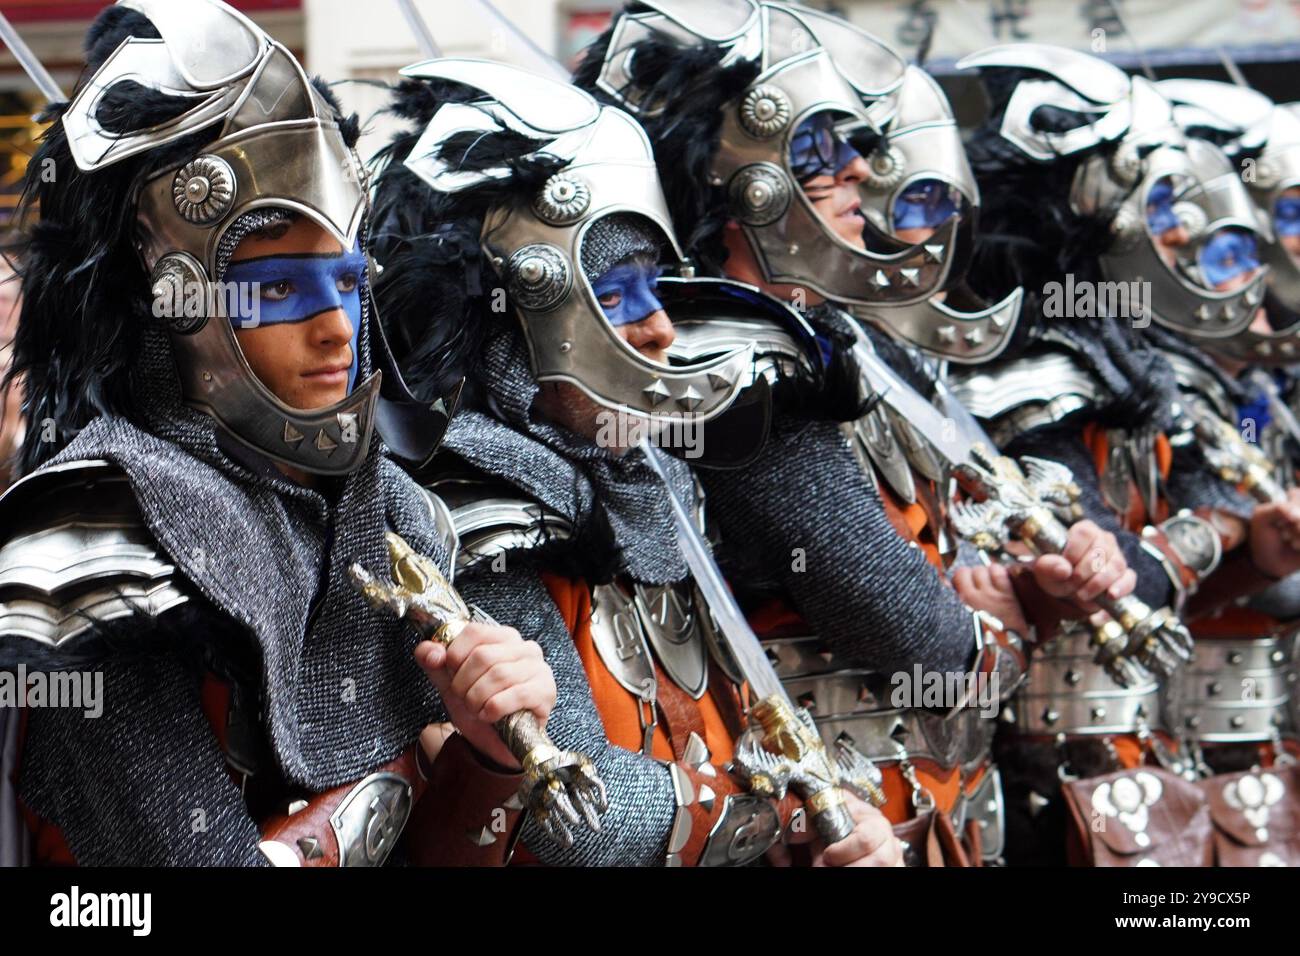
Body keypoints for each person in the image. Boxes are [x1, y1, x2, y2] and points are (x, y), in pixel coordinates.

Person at [573, 0, 1142, 864]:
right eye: (816, 157)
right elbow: (922, 640)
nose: (857, 177)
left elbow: (956, 559)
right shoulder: (738, 379)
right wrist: (1021, 612)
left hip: (937, 805)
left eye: (849, 150)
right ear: (742, 193)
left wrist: (1032, 582)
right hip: (846, 821)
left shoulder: (848, 343)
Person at [0, 0, 558, 867]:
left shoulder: (401, 521)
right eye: (282, 291)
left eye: (345, 281)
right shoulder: (102, 544)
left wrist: (487, 759)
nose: (338, 327)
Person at [373, 57, 903, 866]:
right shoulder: (470, 510)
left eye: (655, 289)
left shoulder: (646, 472)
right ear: (526, 314)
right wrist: (787, 818)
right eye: (617, 294)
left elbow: (730, 738)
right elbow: (578, 813)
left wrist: (829, 815)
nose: (661, 328)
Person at [953, 42, 1300, 864]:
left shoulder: (1138, 364)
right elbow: (1105, 570)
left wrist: (1248, 546)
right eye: (1163, 206)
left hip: (1160, 756)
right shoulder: (1024, 362)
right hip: (1047, 768)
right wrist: (1224, 534)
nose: (1177, 235)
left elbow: (1178, 561)